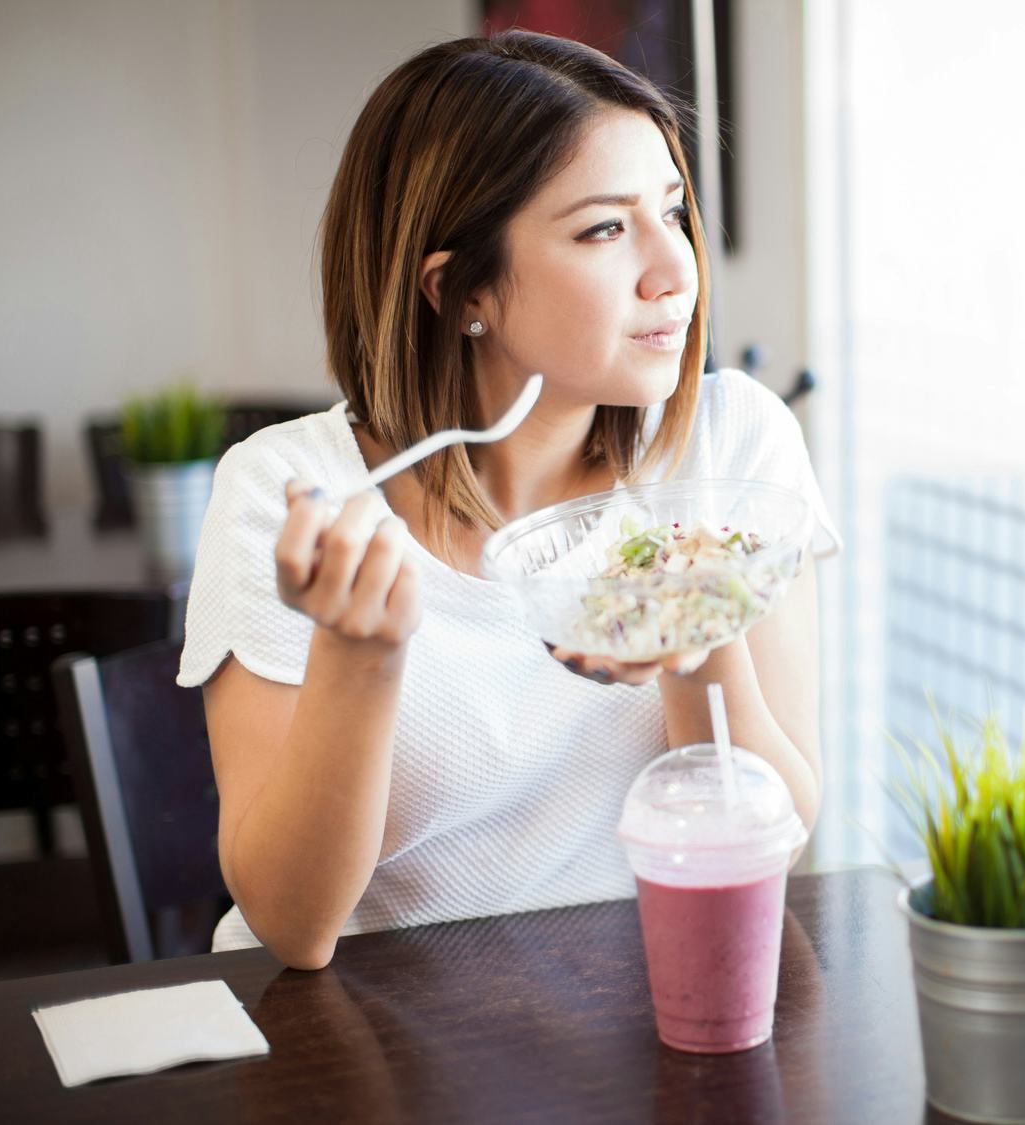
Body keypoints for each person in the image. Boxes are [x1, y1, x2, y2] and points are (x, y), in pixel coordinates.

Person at [176, 31, 839, 970]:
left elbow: (781, 832)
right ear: (461, 290)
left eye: (673, 210)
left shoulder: (733, 447)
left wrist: (697, 639)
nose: (675, 269)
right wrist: (359, 657)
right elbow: (294, 927)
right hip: (370, 1039)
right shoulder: (295, 494)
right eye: (606, 229)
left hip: (644, 1004)